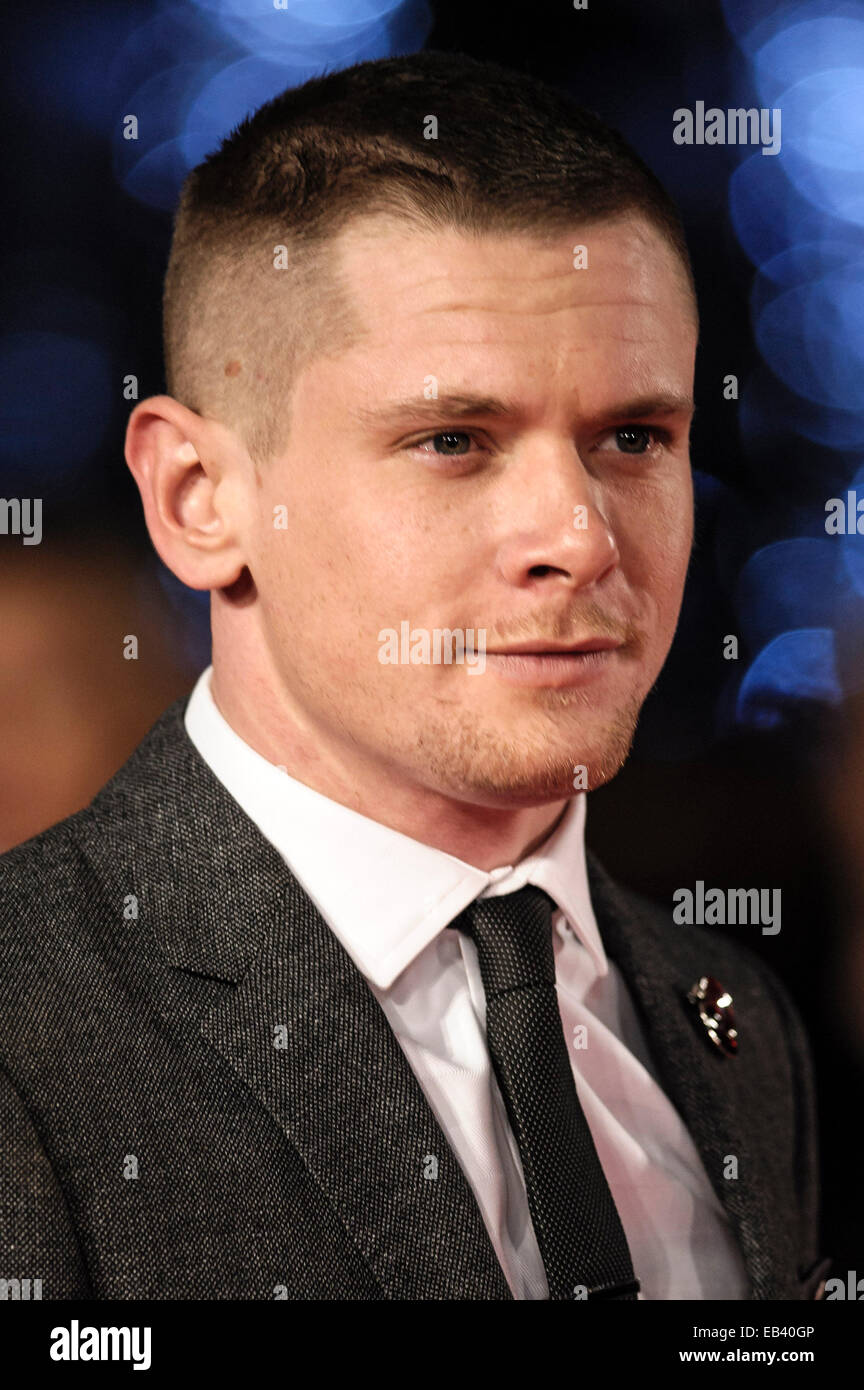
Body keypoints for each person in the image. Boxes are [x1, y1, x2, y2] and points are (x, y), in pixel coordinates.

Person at [0, 50, 826, 1301]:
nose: (584, 535)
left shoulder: (737, 1020)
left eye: (635, 437)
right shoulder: (27, 1036)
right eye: (453, 439)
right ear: (199, 499)